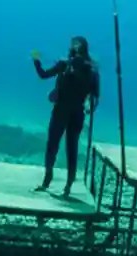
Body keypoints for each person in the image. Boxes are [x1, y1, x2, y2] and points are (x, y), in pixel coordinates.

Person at [32, 36, 100, 197]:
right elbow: (96, 95)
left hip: (65, 110)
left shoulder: (74, 65)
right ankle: (61, 183)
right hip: (74, 111)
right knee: (67, 147)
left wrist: (36, 60)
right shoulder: (87, 68)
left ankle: (54, 181)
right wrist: (91, 107)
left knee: (58, 145)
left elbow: (43, 74)